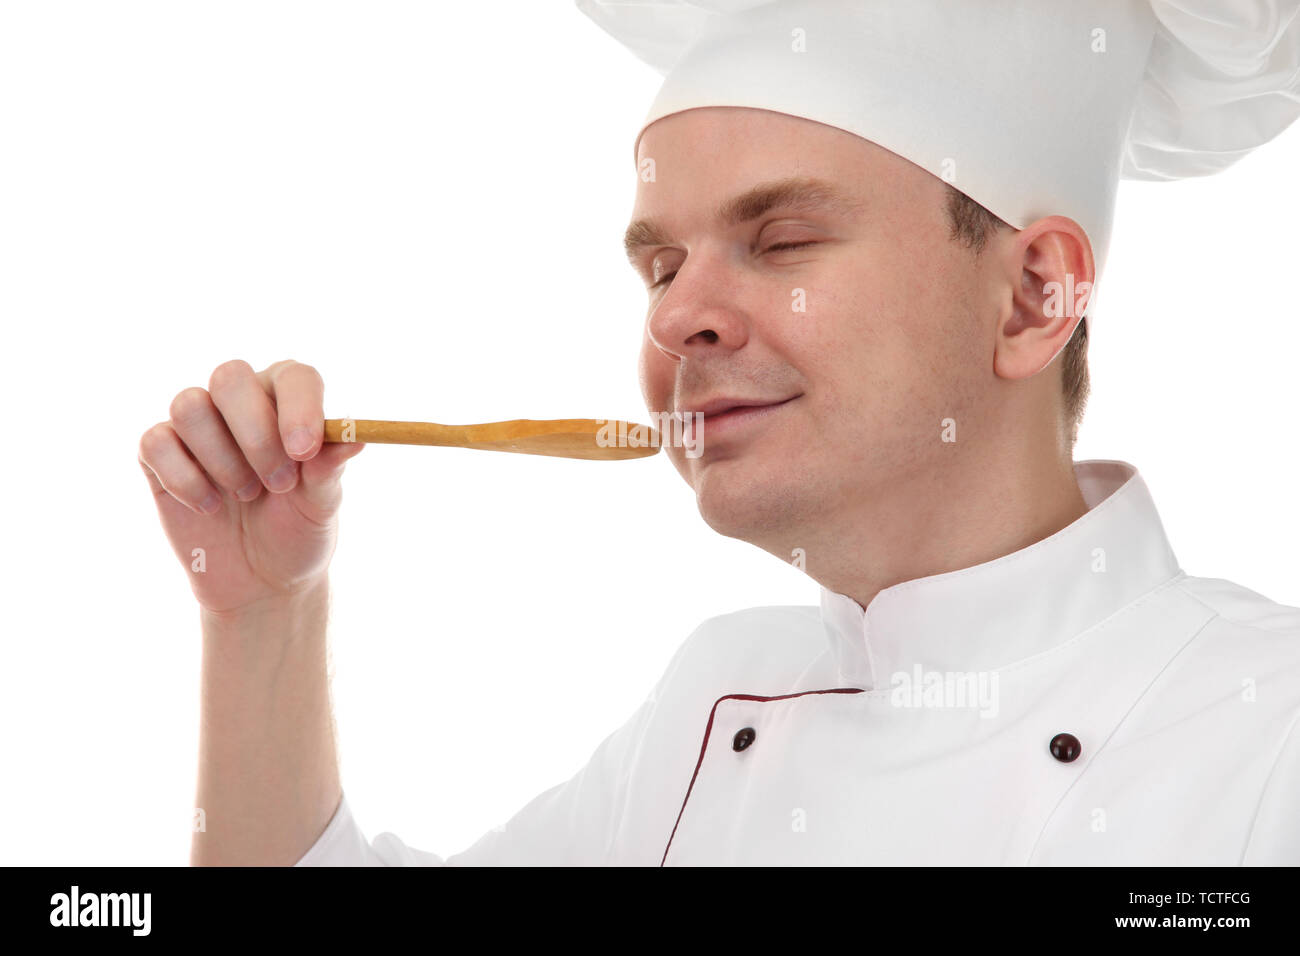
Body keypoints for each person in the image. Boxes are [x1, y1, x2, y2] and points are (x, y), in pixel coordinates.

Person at [140, 0, 1300, 864]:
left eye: (782, 239)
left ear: (1032, 295)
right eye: (659, 262)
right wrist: (259, 615)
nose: (674, 315)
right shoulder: (717, 701)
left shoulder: (1264, 730)